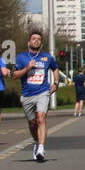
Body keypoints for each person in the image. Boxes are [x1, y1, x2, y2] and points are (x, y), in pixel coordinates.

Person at [11, 30, 60, 162]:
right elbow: (14, 75)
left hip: (43, 92)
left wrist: (56, 83)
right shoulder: (21, 58)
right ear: (29, 42)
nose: (36, 40)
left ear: (41, 44)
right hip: (27, 95)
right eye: (34, 38)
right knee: (32, 123)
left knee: (40, 118)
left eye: (39, 39)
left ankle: (41, 148)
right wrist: (27, 68)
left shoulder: (47, 57)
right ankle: (37, 143)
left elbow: (55, 68)